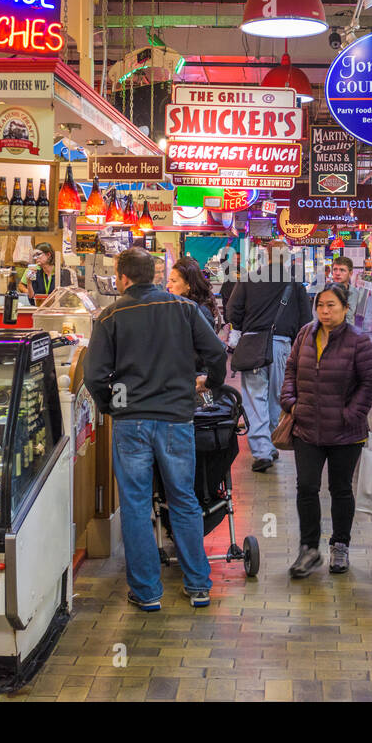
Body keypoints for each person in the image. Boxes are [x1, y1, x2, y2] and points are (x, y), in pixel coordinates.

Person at [84, 247, 227, 612]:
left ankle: (147, 593)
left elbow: (95, 376)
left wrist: (110, 407)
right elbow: (217, 353)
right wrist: (209, 383)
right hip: (177, 419)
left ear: (123, 278)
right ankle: (198, 586)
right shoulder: (185, 310)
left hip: (131, 421)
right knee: (184, 499)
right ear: (156, 276)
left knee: (135, 505)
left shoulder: (110, 315)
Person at [279, 284, 372, 578]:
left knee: (340, 488)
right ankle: (308, 548)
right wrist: (290, 402)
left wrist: (352, 413)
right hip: (307, 427)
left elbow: (369, 381)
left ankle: (340, 545)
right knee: (307, 486)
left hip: (346, 432)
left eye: (331, 305)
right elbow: (291, 370)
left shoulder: (359, 341)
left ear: (346, 308)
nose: (325, 311)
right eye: (320, 305)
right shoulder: (305, 335)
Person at [227, 241, 312, 472]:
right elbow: (306, 321)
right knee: (277, 396)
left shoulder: (248, 280)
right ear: (288, 258)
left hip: (253, 344)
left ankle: (263, 450)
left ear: (266, 256)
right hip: (283, 346)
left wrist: (245, 325)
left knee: (255, 399)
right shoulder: (295, 286)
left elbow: (232, 311)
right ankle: (273, 441)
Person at [167, 256, 219, 330]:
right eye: (169, 281)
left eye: (174, 281)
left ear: (188, 284)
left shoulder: (201, 312)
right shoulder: (182, 305)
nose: (168, 285)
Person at [318, 255, 355, 324]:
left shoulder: (356, 294)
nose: (337, 273)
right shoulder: (323, 292)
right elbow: (317, 318)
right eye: (335, 269)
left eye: (342, 270)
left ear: (350, 273)